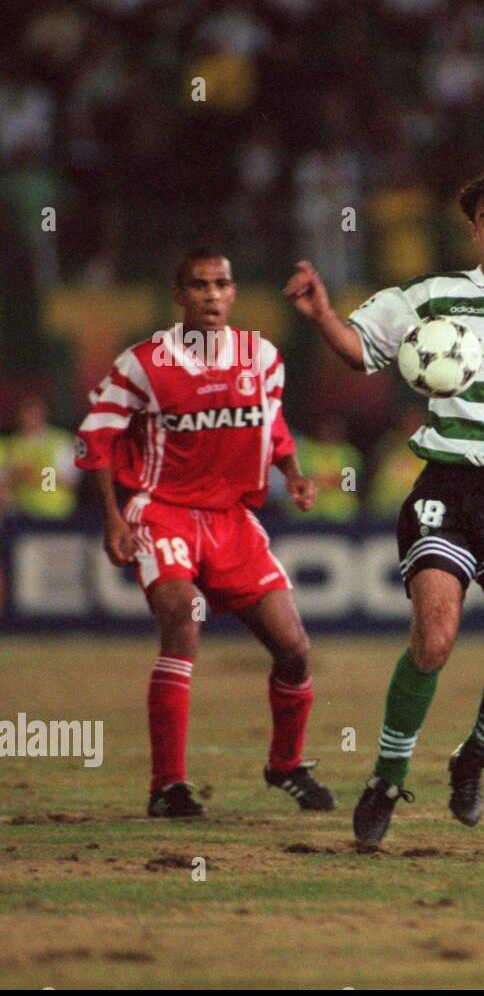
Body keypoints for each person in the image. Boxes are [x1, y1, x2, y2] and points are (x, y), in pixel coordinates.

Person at [284, 169, 484, 845]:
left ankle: (472, 757)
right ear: (475, 232)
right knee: (433, 638)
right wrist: (319, 316)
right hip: (446, 488)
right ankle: (386, 776)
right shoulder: (433, 298)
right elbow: (359, 350)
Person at [75, 249, 335, 818]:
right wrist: (114, 518)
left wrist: (291, 474)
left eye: (221, 284)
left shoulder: (261, 356)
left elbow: (273, 423)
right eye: (198, 285)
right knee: (185, 618)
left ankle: (286, 765)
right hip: (162, 510)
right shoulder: (143, 364)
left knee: (294, 649)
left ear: (234, 292)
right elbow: (95, 438)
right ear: (179, 295)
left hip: (233, 522)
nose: (211, 295)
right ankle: (168, 787)